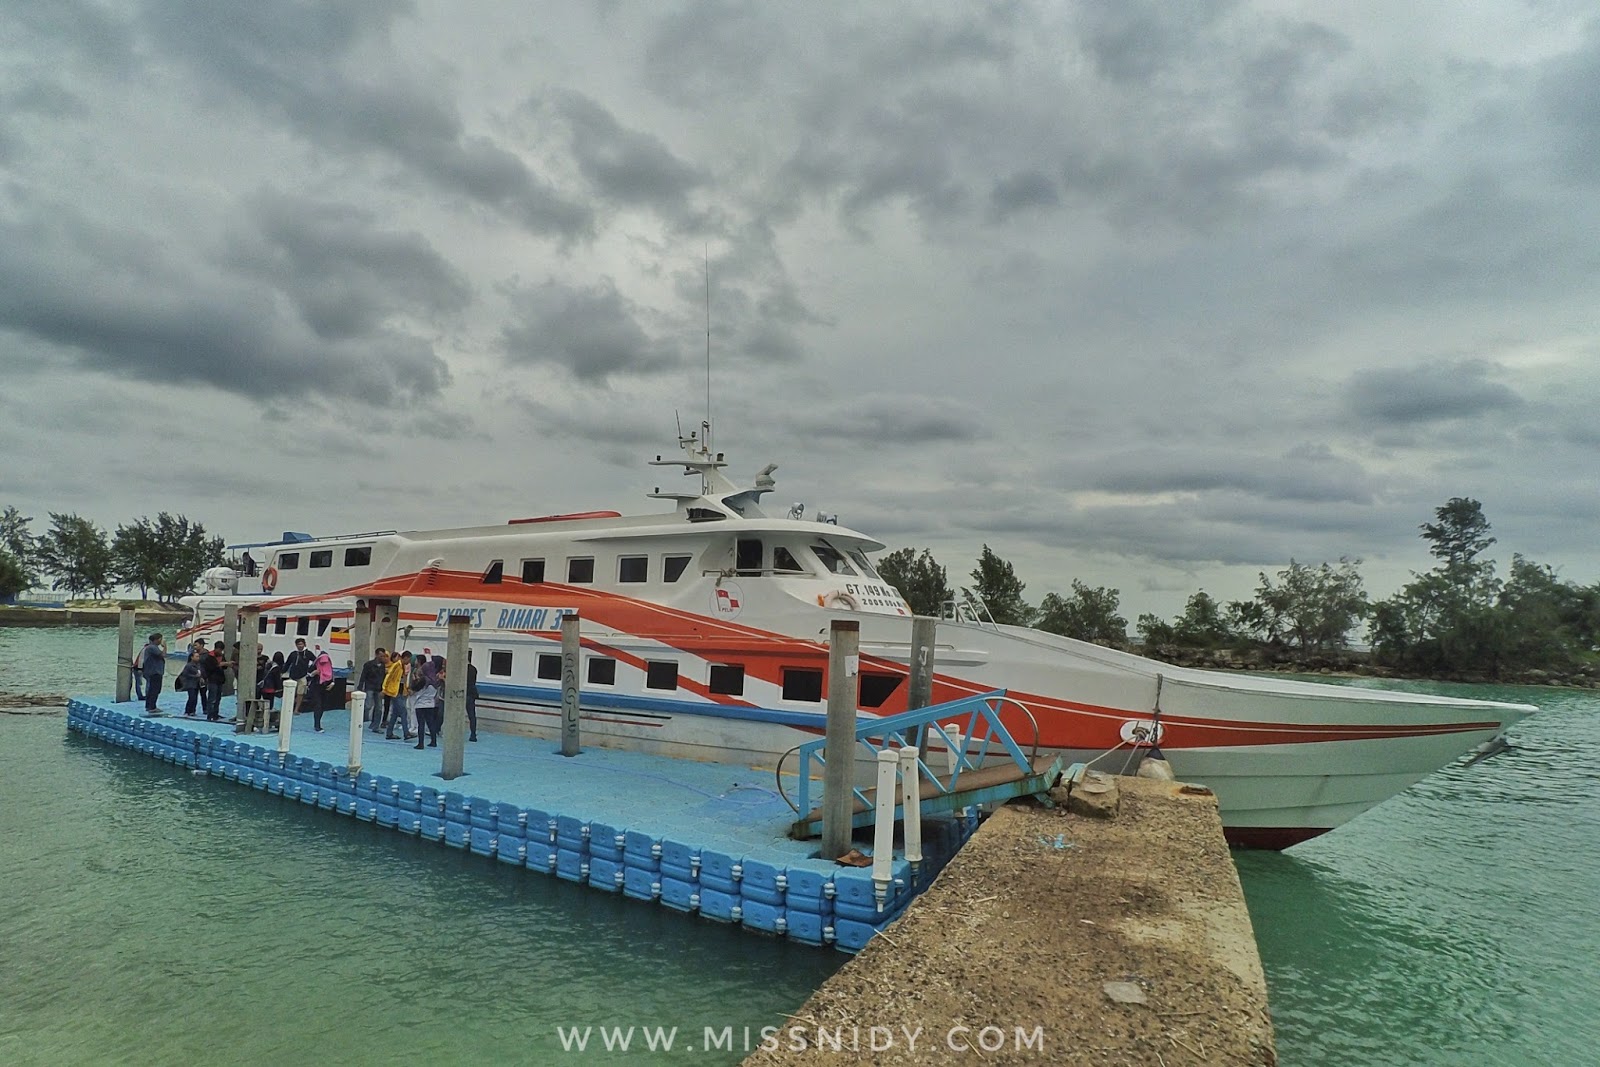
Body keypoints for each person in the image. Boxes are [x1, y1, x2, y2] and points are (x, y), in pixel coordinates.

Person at [355, 648, 388, 729]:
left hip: (379, 688)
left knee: (379, 708)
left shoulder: (383, 666)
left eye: (383, 656)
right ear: (376, 655)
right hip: (370, 687)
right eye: (381, 656)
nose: (383, 658)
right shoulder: (368, 665)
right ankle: (359, 719)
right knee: (368, 706)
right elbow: (363, 676)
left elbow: (383, 678)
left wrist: (384, 689)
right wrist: (360, 686)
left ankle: (375, 725)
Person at [411, 661, 439, 749]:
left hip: (421, 704)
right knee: (431, 723)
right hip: (430, 704)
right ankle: (433, 741)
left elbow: (415, 688)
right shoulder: (435, 680)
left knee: (421, 724)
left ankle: (420, 743)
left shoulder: (424, 679)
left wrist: (415, 679)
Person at [382, 650, 408, 737]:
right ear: (405, 658)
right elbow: (388, 676)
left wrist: (405, 690)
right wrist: (384, 689)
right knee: (403, 712)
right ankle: (406, 733)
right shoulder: (396, 665)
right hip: (394, 692)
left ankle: (389, 733)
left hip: (399, 691)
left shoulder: (402, 667)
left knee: (395, 713)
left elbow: (402, 681)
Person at [138, 633, 166, 715]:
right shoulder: (152, 647)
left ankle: (148, 705)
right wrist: (165, 647)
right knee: (155, 689)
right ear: (157, 639)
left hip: (152, 671)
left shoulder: (151, 647)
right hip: (155, 672)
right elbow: (163, 655)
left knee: (151, 689)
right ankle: (152, 707)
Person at [284, 638, 315, 712]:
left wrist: (311, 671)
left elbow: (316, 661)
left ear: (304, 644)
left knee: (300, 693)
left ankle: (296, 709)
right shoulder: (293, 654)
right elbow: (287, 664)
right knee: (290, 693)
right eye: (298, 644)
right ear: (296, 645)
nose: (300, 646)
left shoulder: (308, 653)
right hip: (292, 676)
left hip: (302, 676)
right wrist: (282, 672)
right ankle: (288, 708)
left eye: (301, 644)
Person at [309, 644, 335, 731]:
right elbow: (308, 675)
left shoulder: (329, 666)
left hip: (325, 688)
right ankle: (317, 725)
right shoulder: (314, 666)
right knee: (318, 705)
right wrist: (313, 673)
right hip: (316, 687)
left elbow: (332, 676)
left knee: (322, 706)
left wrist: (332, 683)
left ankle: (318, 721)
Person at [201, 643, 227, 721]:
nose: (220, 652)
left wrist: (224, 664)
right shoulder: (209, 657)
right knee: (212, 698)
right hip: (212, 679)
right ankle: (210, 714)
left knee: (218, 697)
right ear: (216, 648)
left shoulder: (221, 656)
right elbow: (209, 668)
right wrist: (219, 665)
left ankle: (215, 714)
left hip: (220, 679)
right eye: (219, 650)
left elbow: (224, 667)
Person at [178, 650, 205, 717]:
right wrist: (194, 676)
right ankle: (187, 711)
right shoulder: (189, 666)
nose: (198, 658)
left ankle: (193, 710)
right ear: (192, 657)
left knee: (195, 698)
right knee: (191, 697)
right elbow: (185, 674)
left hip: (197, 683)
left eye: (198, 656)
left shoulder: (199, 665)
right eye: (196, 656)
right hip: (190, 683)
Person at [466, 650, 479, 742]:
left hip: (463, 693)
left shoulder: (460, 669)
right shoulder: (473, 669)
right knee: (472, 715)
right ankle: (473, 733)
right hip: (472, 693)